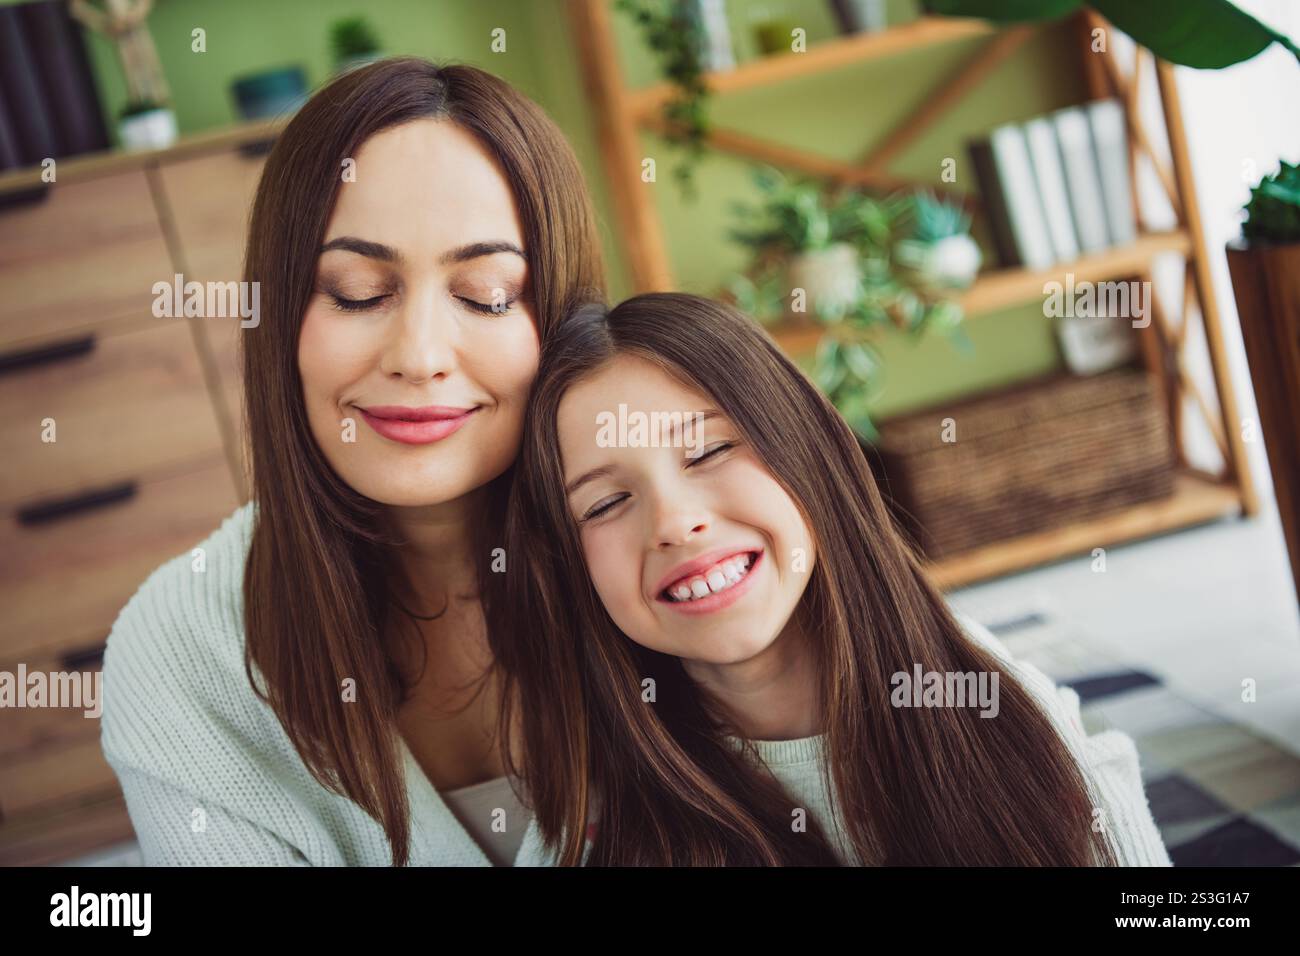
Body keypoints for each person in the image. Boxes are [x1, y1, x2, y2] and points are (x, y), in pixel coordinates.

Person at [100, 57, 604, 866]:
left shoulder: (667, 545)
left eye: (486, 294)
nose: (419, 356)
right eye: (358, 291)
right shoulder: (184, 645)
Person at [498, 293, 1173, 866]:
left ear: (807, 450)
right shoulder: (590, 834)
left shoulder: (1000, 707)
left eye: (707, 450)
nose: (674, 522)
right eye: (605, 504)